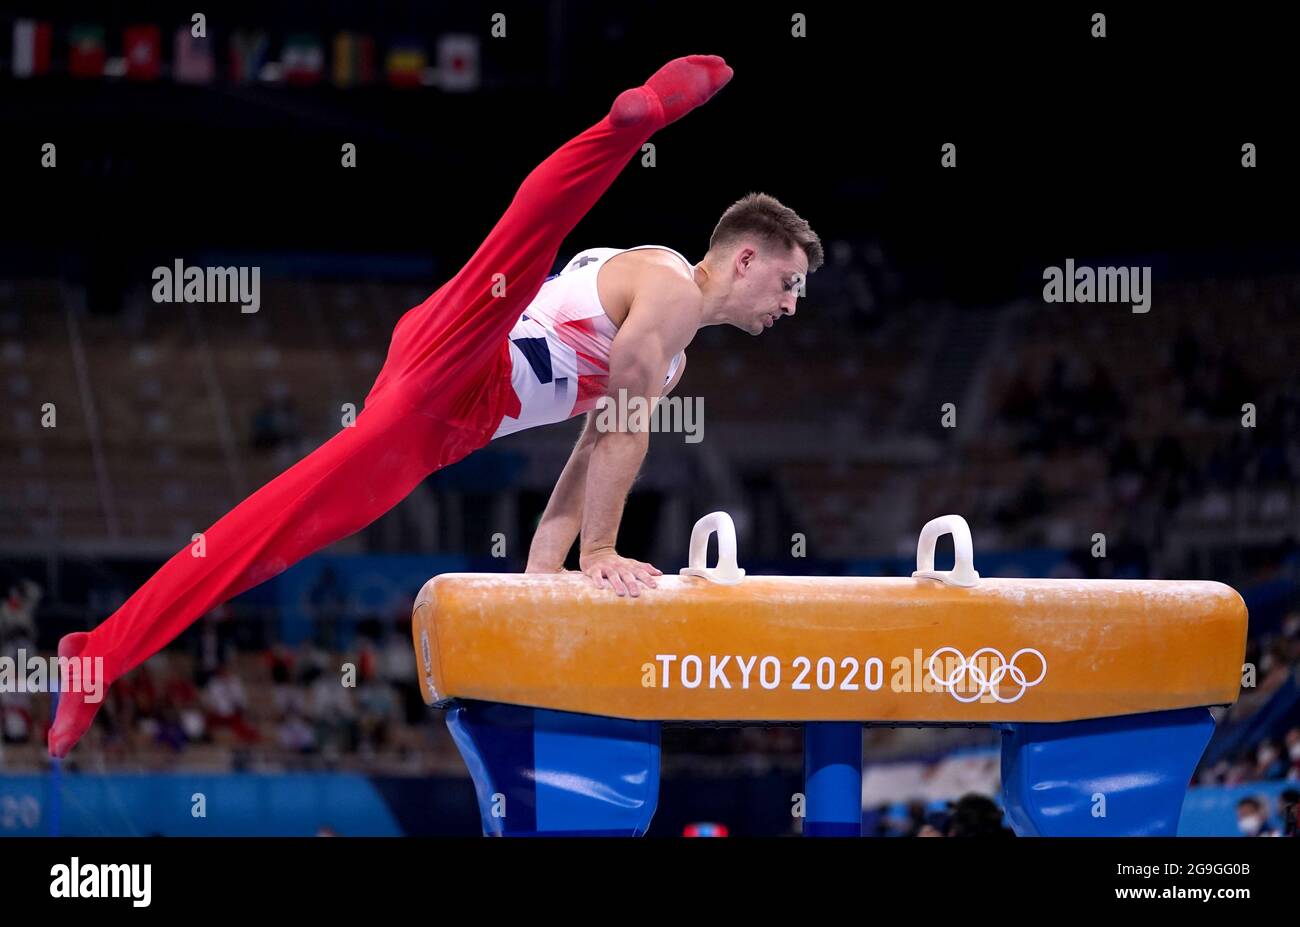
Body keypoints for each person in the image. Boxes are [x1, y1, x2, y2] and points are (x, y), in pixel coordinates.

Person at [49, 54, 824, 758]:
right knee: (521, 246)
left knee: (274, 528)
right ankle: (630, 126)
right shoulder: (670, 290)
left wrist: (543, 575)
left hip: (437, 413)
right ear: (745, 257)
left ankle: (99, 655)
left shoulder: (673, 353)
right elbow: (622, 424)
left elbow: (590, 454)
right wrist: (600, 554)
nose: (791, 305)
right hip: (467, 368)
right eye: (788, 283)